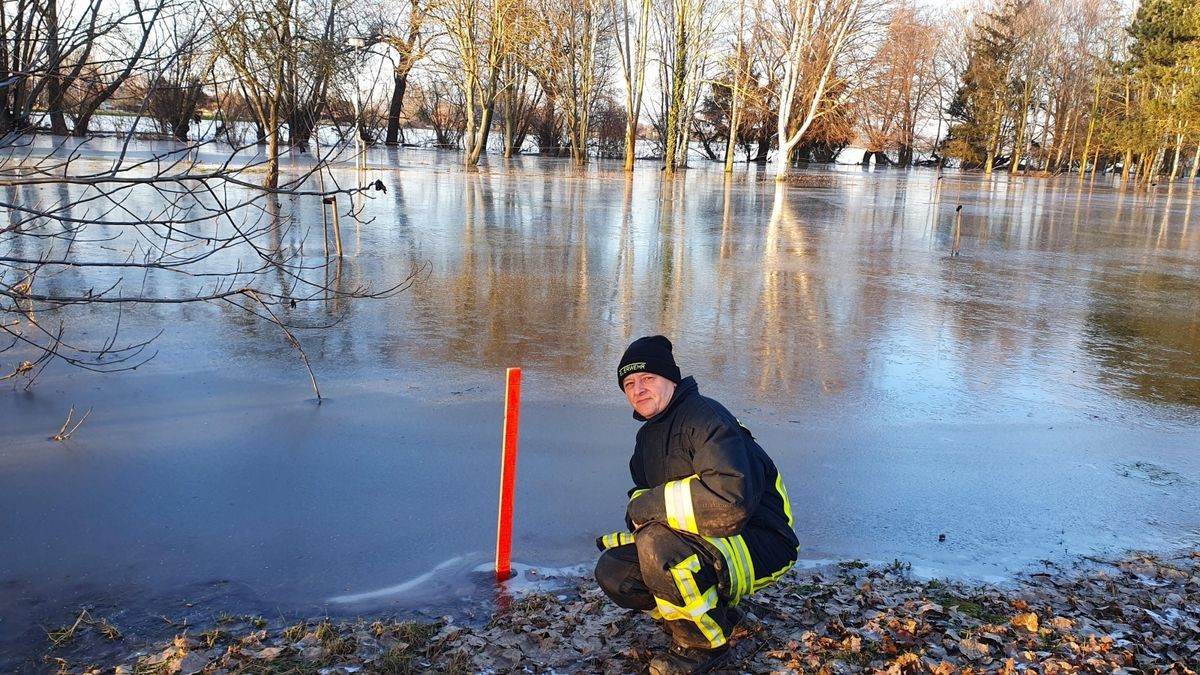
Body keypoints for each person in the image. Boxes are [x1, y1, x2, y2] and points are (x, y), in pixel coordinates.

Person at [595, 335, 800, 675]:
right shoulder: (648, 437)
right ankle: (711, 617)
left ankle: (702, 647)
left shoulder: (706, 418)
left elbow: (729, 504)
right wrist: (638, 512)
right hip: (705, 543)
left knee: (658, 546)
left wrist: (649, 509)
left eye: (647, 379)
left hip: (761, 542)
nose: (637, 390)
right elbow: (641, 495)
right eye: (629, 383)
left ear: (671, 380)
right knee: (615, 572)